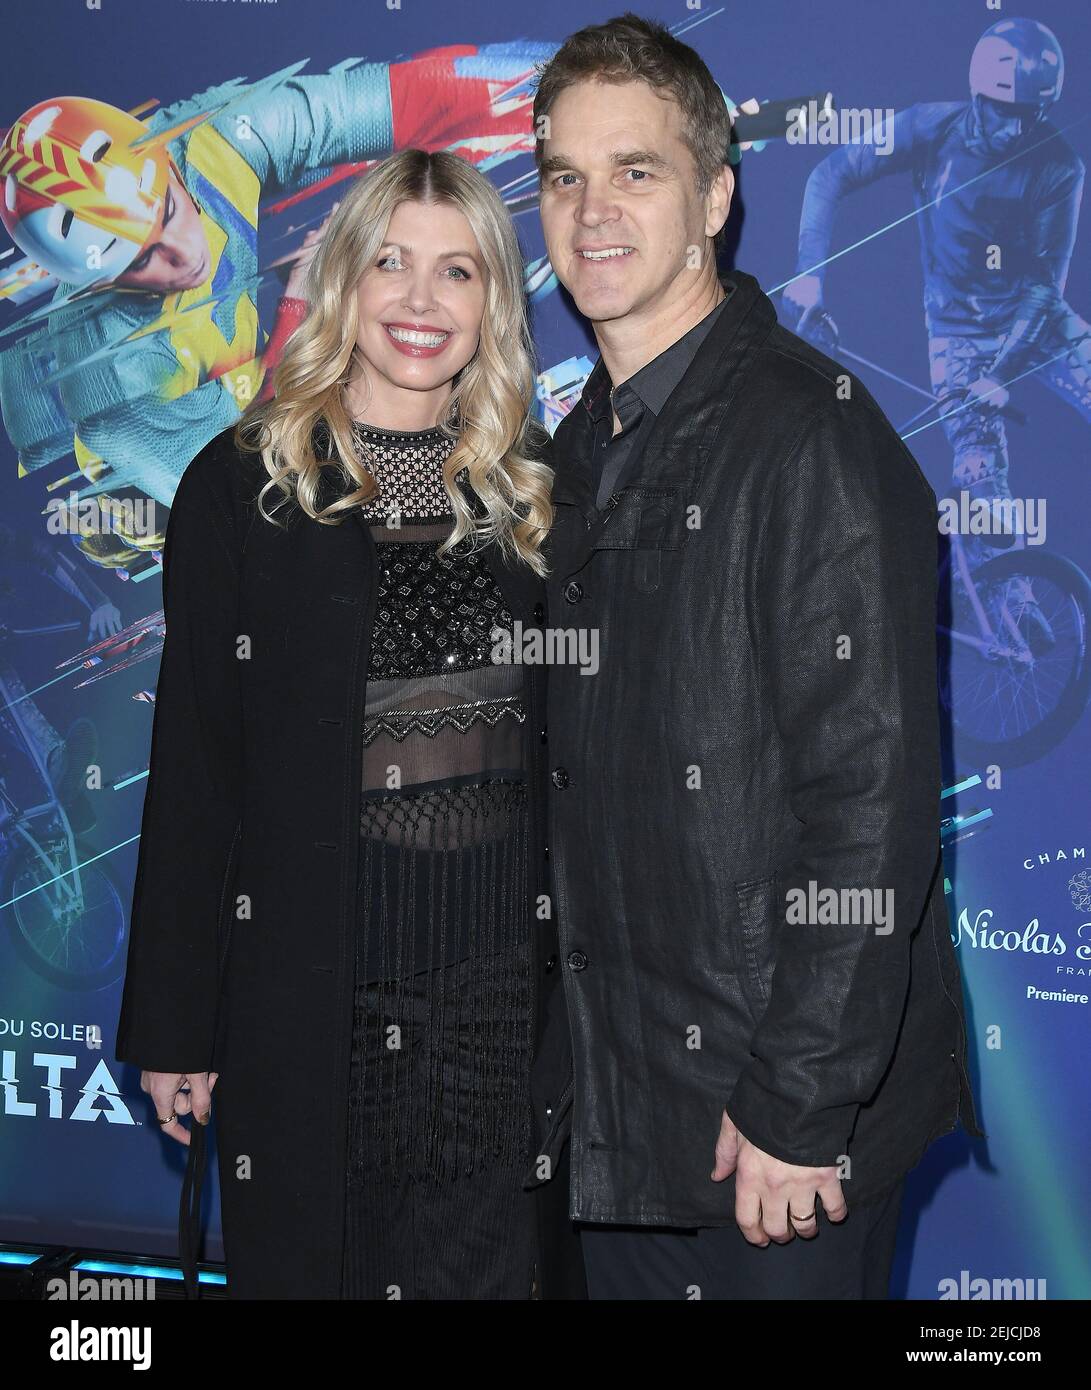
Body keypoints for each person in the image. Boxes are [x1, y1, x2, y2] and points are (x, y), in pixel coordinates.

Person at [527, 13, 983, 1300]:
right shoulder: (576, 453)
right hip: (625, 1105)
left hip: (764, 1129)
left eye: (636, 171)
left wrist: (798, 1101)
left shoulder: (811, 441)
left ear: (716, 198)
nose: (591, 209)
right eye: (564, 174)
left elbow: (868, 812)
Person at [114, 148, 582, 1300]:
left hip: (494, 994)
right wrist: (178, 1020)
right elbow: (197, 766)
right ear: (342, 282)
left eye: (458, 272)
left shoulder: (536, 492)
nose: (421, 303)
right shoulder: (243, 487)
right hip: (316, 985)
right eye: (391, 263)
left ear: (494, 305)